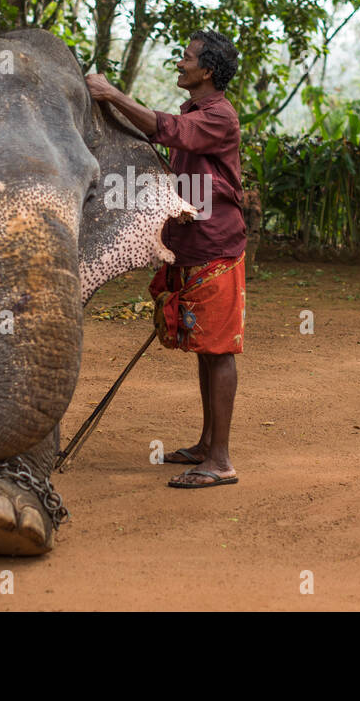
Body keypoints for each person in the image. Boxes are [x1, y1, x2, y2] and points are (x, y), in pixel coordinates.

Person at [85, 31, 247, 488]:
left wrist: (113, 94)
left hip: (217, 247)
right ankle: (205, 444)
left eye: (187, 57)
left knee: (218, 351)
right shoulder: (195, 112)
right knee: (204, 349)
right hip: (190, 246)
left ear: (207, 71)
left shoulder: (219, 117)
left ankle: (220, 461)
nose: (180, 62)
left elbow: (168, 132)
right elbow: (164, 139)